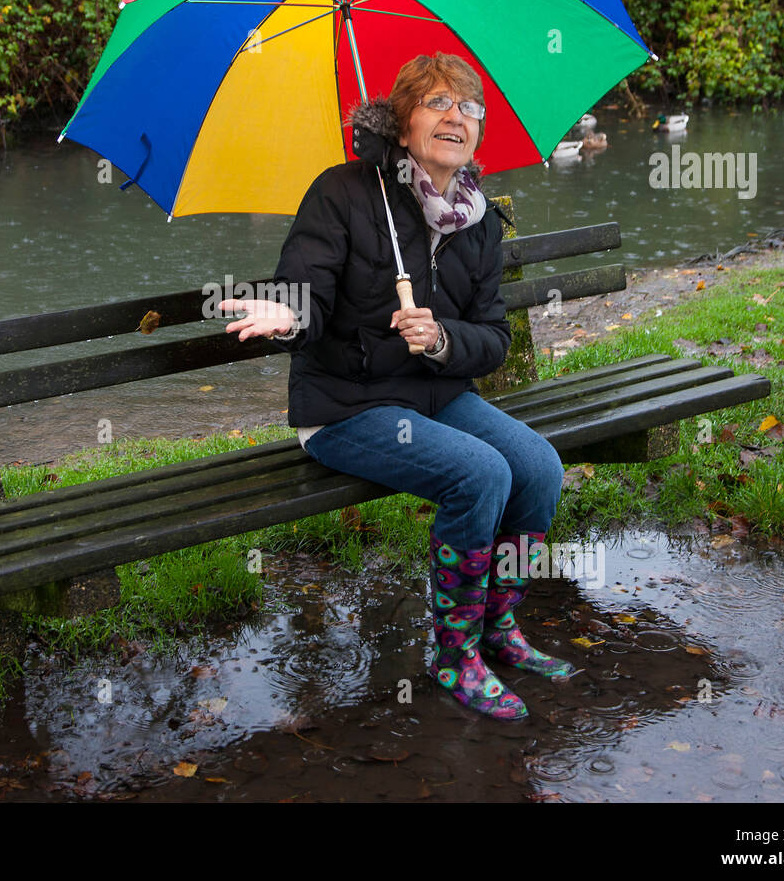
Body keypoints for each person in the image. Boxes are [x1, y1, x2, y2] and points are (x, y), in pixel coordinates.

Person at [221, 53, 570, 720]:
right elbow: (307, 287)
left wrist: (440, 339)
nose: (455, 117)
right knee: (481, 474)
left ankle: (497, 624)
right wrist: (287, 313)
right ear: (402, 125)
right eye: (437, 103)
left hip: (435, 394)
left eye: (469, 108)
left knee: (538, 468)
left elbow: (491, 338)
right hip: (346, 406)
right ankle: (453, 650)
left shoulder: (480, 222)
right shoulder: (344, 193)